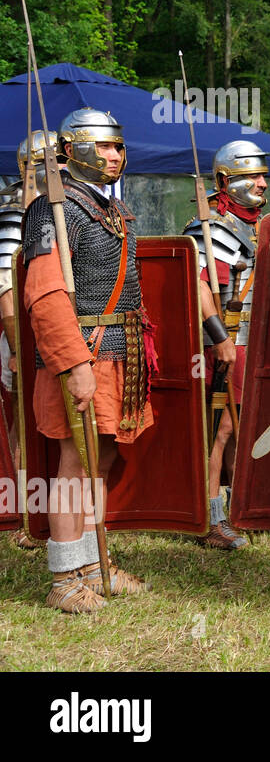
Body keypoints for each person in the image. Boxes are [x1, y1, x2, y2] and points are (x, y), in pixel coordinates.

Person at [23, 109, 152, 612]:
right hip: (83, 352)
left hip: (118, 352)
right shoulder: (51, 210)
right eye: (103, 147)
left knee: (105, 457)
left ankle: (94, 564)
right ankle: (65, 576)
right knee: (76, 462)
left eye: (118, 146)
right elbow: (45, 294)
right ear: (72, 148)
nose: (115, 156)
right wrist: (72, 362)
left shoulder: (107, 207)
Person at [182, 140, 268, 550]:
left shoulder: (253, 226)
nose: (262, 183)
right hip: (224, 343)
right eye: (251, 176)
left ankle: (238, 511)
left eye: (263, 175)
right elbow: (199, 287)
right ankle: (209, 519)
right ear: (223, 181)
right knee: (218, 430)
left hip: (248, 341)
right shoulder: (213, 229)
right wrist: (220, 340)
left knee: (237, 428)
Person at [1, 131, 54, 551]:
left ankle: (46, 515)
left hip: (51, 331)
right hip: (18, 335)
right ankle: (24, 517)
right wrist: (18, 348)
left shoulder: (56, 208)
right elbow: (6, 291)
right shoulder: (13, 213)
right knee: (22, 427)